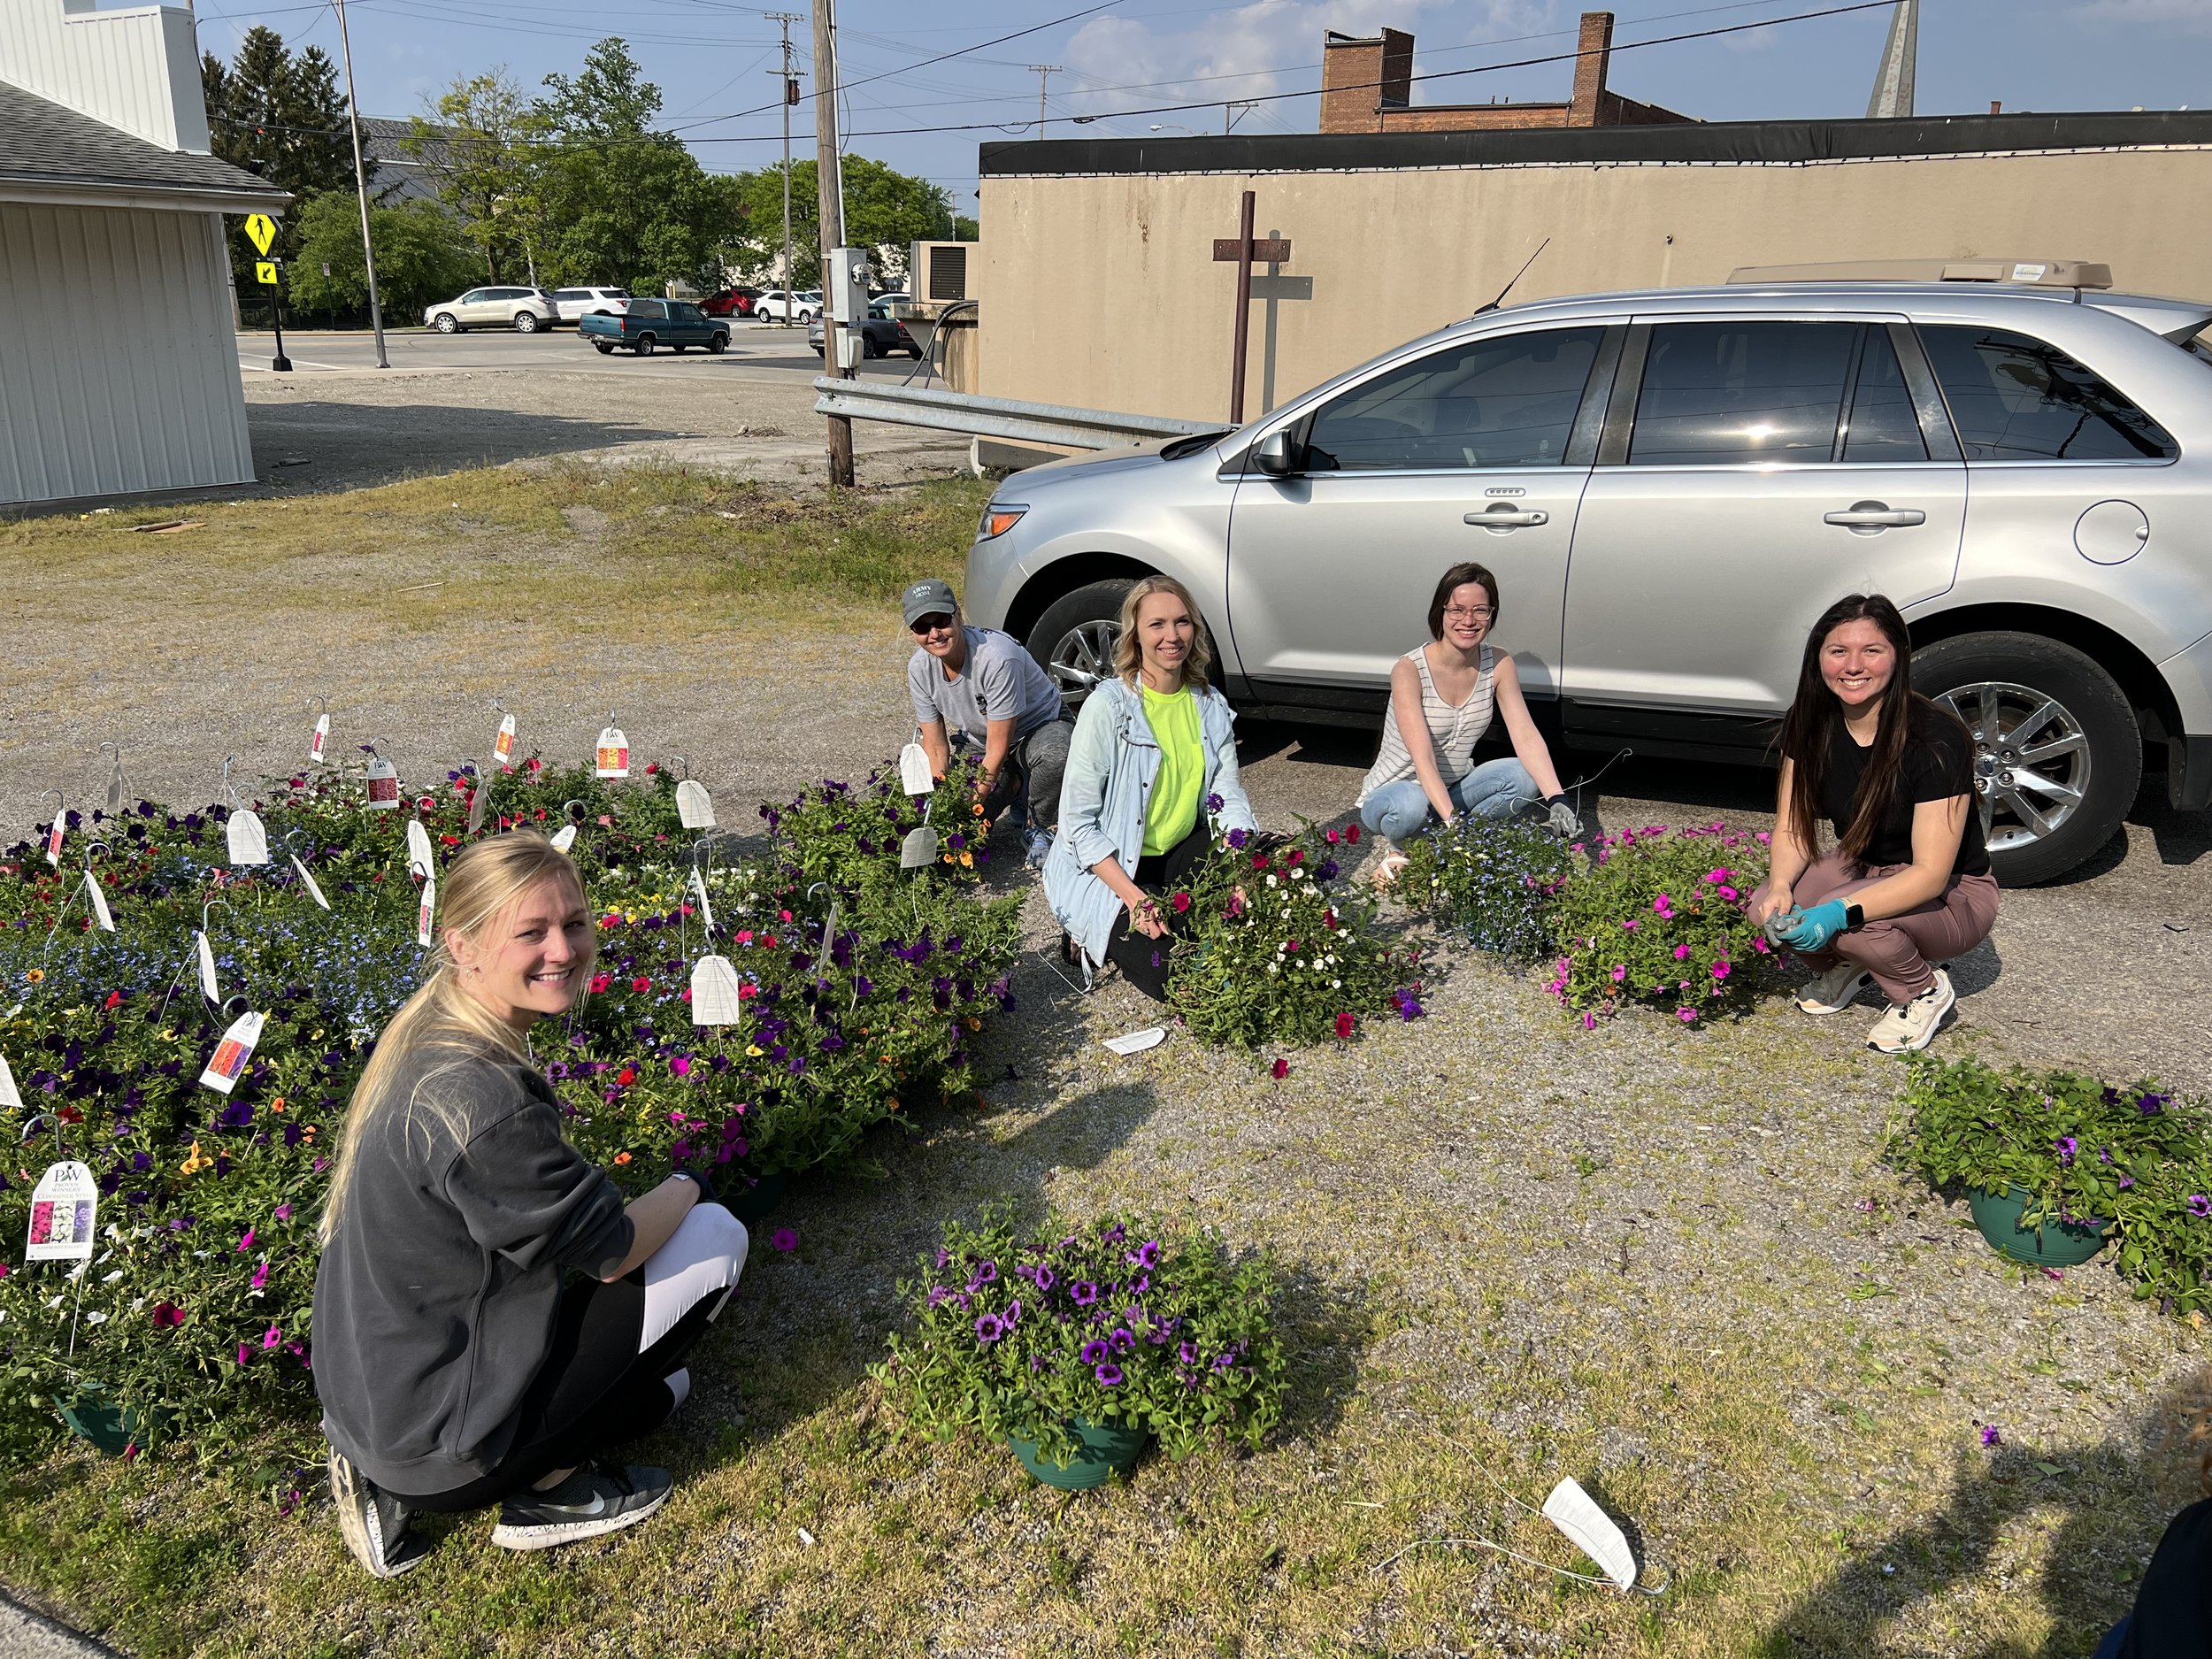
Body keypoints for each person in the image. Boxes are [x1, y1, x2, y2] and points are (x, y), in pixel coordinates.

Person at [313, 832, 749, 1577]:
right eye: (531, 931)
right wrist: (688, 1184)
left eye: (574, 923)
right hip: (446, 1449)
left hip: (373, 1401)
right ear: (463, 943)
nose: (564, 948)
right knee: (716, 1233)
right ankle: (546, 1489)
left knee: (663, 1393)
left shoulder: (424, 1033)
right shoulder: (482, 1101)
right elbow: (611, 1247)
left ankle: (409, 1463)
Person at [1747, 593, 1999, 1055]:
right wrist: (1782, 885)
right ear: (1818, 658)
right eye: (1838, 651)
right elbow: (1792, 826)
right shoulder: (1810, 722)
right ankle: (1848, 967)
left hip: (1954, 892)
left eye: (1872, 651)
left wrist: (1838, 913)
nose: (1853, 666)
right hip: (1864, 863)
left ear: (1898, 657)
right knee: (1767, 907)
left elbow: (1930, 873)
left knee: (1857, 920)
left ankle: (1922, 991)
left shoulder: (1936, 738)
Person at [1043, 574, 1260, 1000]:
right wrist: (1134, 899)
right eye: (1156, 624)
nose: (1172, 636)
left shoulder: (1210, 705)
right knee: (1180, 980)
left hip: (1176, 851)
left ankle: (1169, 904)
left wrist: (1240, 869)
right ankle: (1088, 925)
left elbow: (1227, 796)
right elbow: (1076, 824)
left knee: (1270, 881)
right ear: (1136, 636)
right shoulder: (1109, 706)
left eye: (1182, 622)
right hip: (1114, 868)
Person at [1356, 561, 1580, 882]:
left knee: (1522, 776)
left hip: (1452, 787)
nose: (1468, 620)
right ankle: (1400, 847)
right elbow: (1423, 760)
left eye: (1480, 610)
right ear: (1440, 613)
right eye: (1457, 609)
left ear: (1492, 614)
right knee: (1410, 805)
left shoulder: (1499, 662)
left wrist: (1557, 798)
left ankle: (1450, 841)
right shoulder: (1409, 669)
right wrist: (1453, 823)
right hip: (1394, 795)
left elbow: (1525, 734)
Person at [901, 576, 1073, 869]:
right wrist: (944, 806)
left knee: (1057, 752)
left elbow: (998, 749)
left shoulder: (995, 657)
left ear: (957, 614)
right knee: (964, 836)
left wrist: (969, 807)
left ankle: (1039, 823)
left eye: (941, 620)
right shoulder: (919, 668)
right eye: (922, 627)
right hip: (980, 742)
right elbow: (935, 744)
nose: (934, 633)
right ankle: (1018, 784)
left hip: (1038, 729)